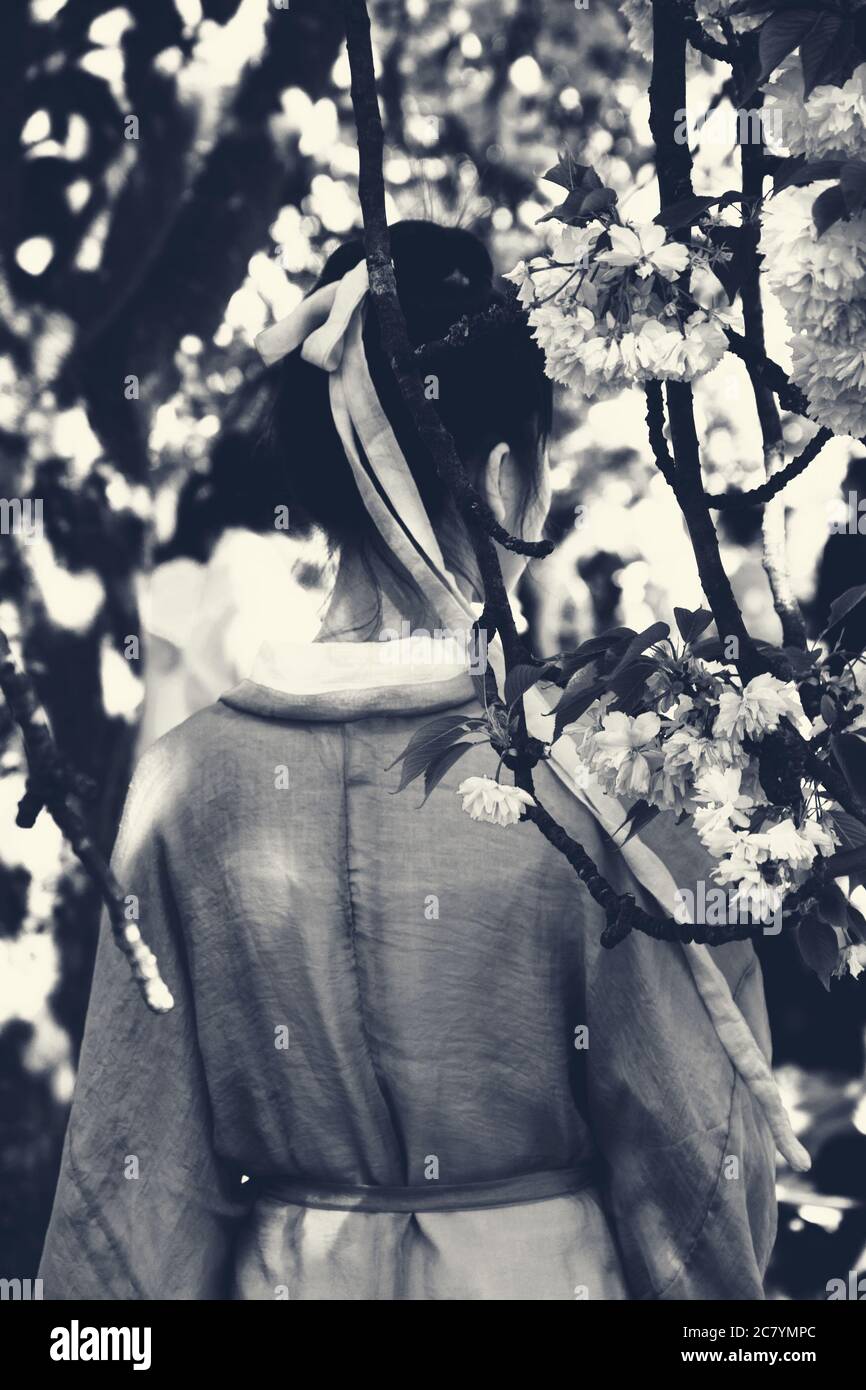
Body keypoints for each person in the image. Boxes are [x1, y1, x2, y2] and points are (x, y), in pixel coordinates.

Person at [39, 221, 788, 1301]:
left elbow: (129, 1191)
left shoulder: (184, 782)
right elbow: (695, 1176)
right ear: (498, 476)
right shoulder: (588, 776)